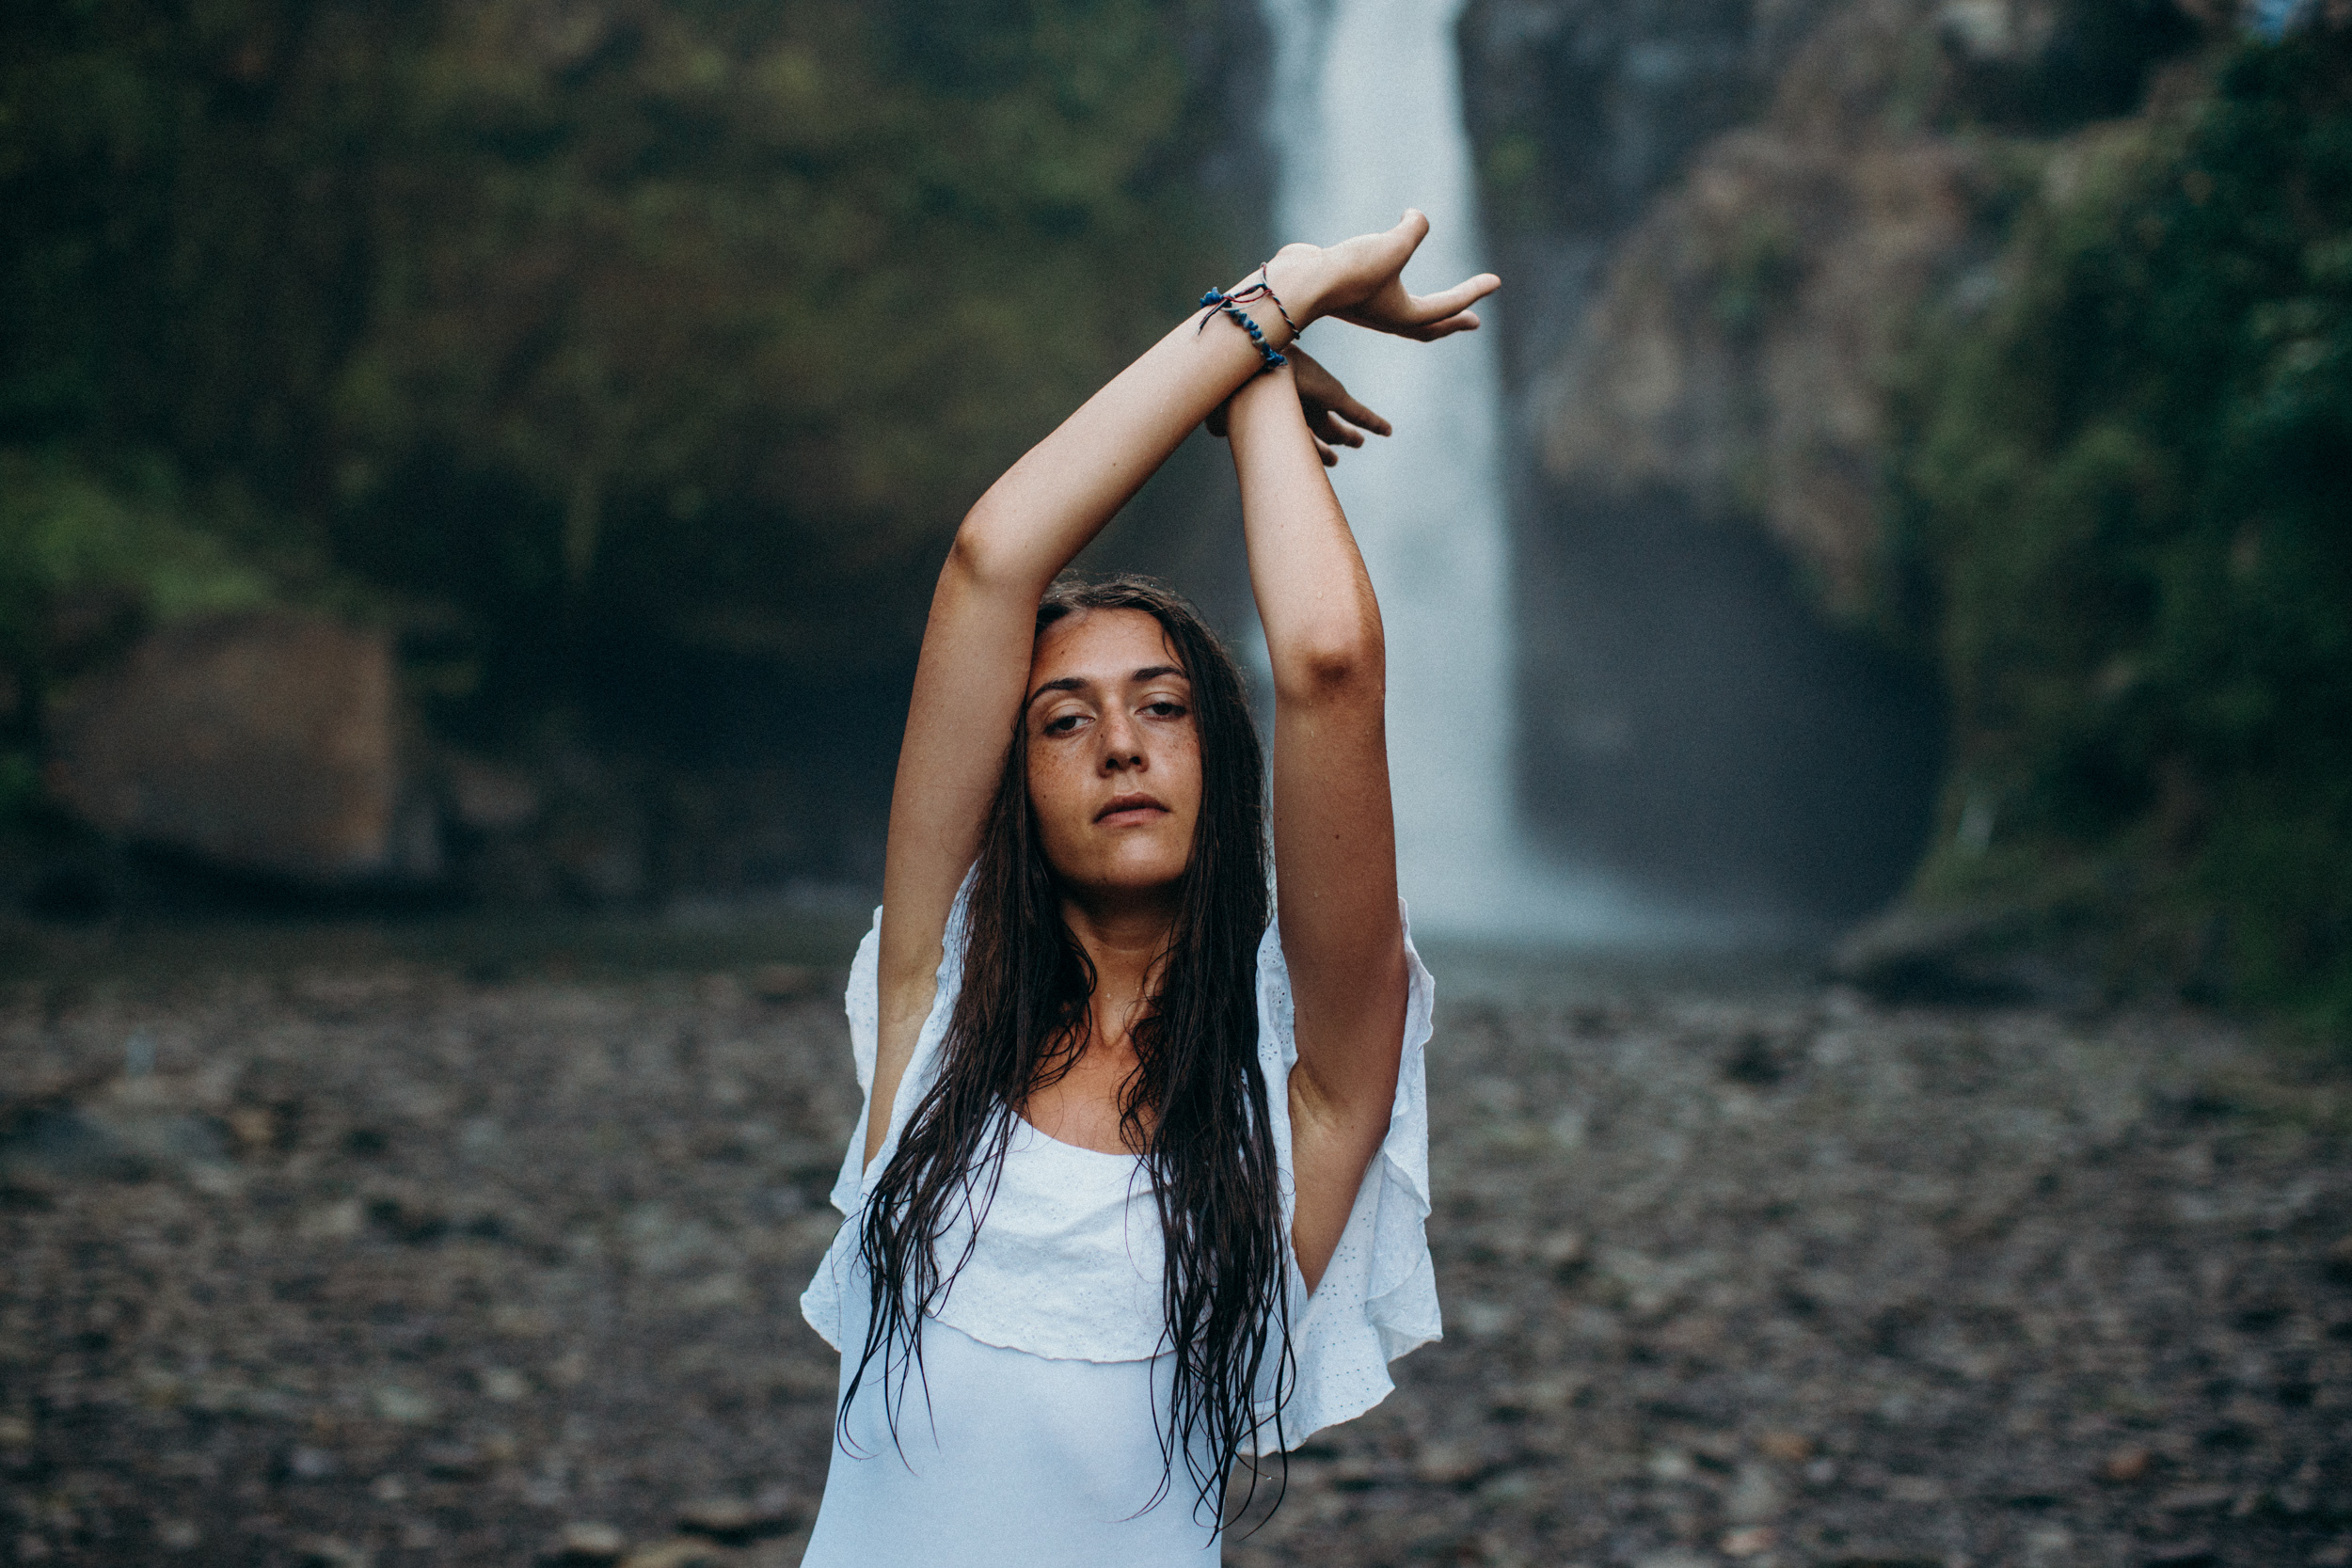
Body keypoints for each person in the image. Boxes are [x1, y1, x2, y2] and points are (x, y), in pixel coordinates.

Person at [797, 212, 1500, 1565]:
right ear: (1017, 789)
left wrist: (1256, 412)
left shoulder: (1299, 1091)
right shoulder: (927, 1008)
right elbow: (994, 559)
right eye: (1062, 720)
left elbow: (1332, 661)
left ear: (1221, 765)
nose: (1118, 743)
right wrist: (1276, 305)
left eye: (1162, 706)